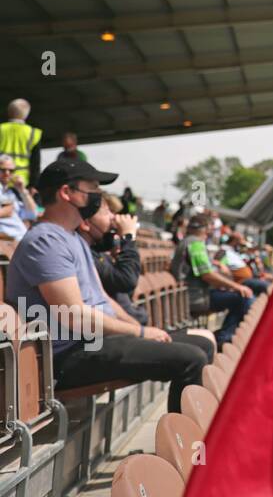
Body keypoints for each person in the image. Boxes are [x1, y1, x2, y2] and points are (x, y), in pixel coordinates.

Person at [3, 160, 208, 413]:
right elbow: (75, 317)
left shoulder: (72, 237)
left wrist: (139, 328)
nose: (97, 195)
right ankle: (186, 445)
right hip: (72, 353)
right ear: (67, 193)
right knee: (191, 359)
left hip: (95, 341)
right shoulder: (45, 241)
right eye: (92, 188)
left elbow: (103, 298)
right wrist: (140, 334)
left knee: (203, 346)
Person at [76, 200, 215, 361]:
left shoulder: (97, 253)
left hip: (133, 326)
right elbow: (127, 280)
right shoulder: (86, 254)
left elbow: (123, 288)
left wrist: (117, 247)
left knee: (205, 340)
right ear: (86, 223)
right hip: (113, 336)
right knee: (198, 350)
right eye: (107, 212)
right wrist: (128, 237)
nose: (114, 218)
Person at [170, 214, 253, 348]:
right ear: (205, 229)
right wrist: (237, 287)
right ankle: (223, 340)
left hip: (192, 295)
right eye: (210, 229)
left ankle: (223, 337)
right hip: (194, 298)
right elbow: (207, 275)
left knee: (243, 293)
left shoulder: (189, 241)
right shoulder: (195, 243)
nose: (210, 233)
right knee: (244, 298)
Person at [0, 99, 42, 187]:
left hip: (2, 179)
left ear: (9, 112)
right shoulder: (33, 133)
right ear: (26, 115)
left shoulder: (1, 129)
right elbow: (35, 164)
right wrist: (33, 185)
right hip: (21, 181)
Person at [0, 154, 38, 241]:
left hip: (20, 241)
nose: (7, 173)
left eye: (11, 171)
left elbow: (33, 214)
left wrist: (22, 190)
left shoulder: (11, 193)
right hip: (6, 242)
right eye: (3, 170)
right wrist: (3, 212)